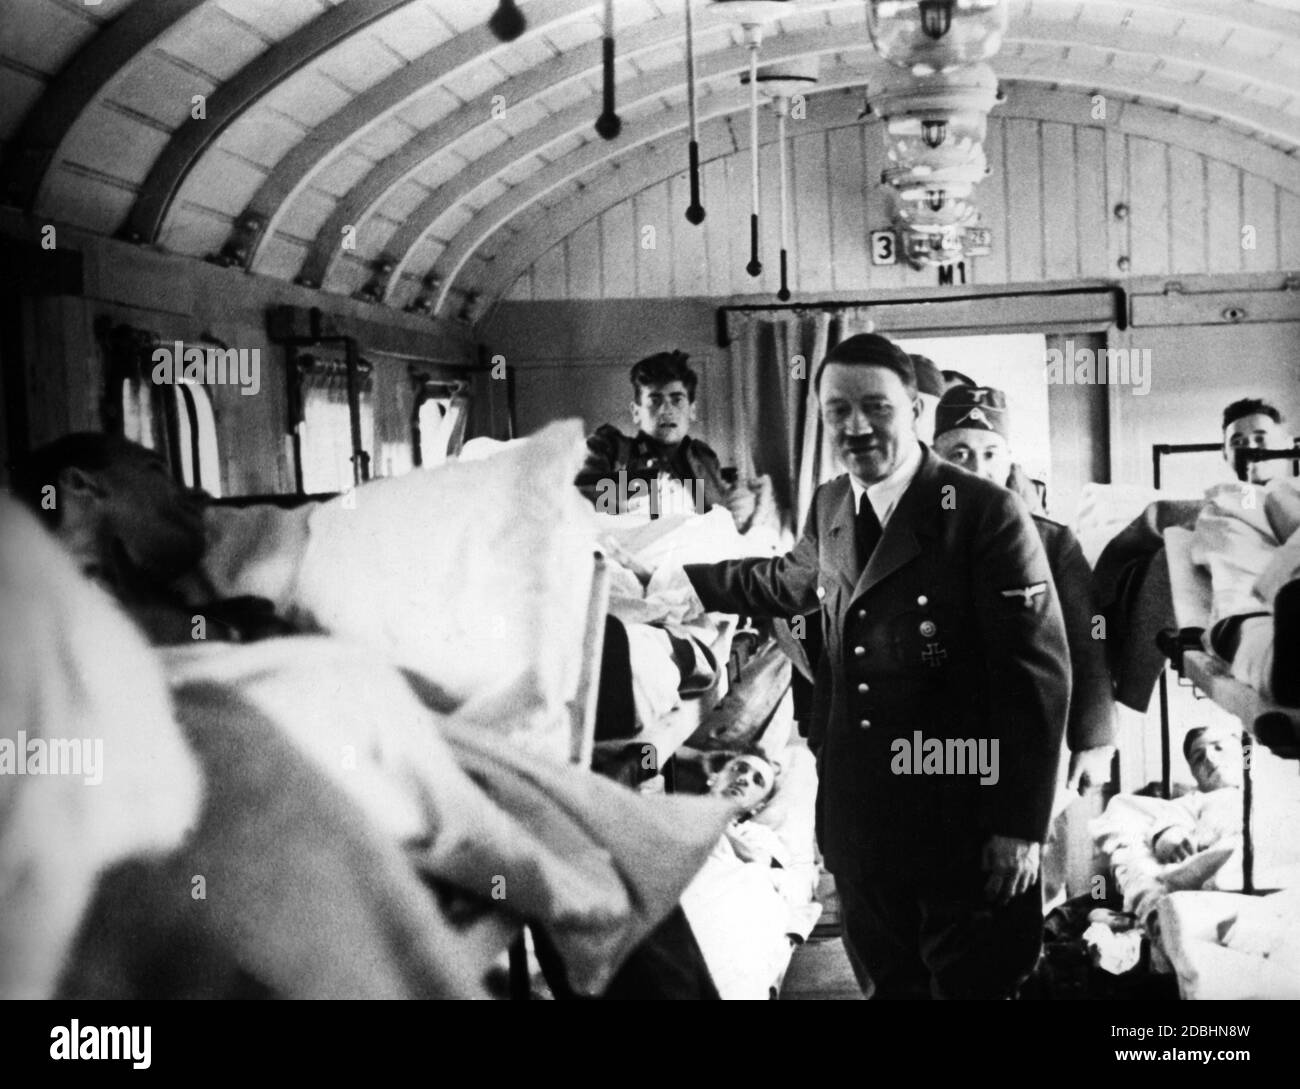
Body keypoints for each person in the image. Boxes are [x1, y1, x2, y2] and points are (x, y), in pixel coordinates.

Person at [659, 333, 1071, 1000]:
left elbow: (1036, 678)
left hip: (962, 815)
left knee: (975, 988)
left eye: (875, 407)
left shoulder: (983, 512)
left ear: (912, 408)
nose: (855, 427)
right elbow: (786, 581)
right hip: (863, 819)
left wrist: (1020, 826)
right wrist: (685, 580)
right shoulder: (830, 505)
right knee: (889, 986)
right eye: (836, 410)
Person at [932, 384, 1116, 792]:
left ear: (1008, 460)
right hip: (927, 740)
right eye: (960, 453)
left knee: (1015, 853)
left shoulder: (1052, 543)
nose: (977, 469)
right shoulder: (904, 539)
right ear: (935, 460)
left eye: (990, 454)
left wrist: (1095, 739)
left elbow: (1089, 639)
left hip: (1022, 735)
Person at [576, 350, 757, 531]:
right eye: (655, 400)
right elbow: (580, 501)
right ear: (636, 412)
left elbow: (723, 521)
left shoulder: (704, 460)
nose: (666, 410)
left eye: (677, 400)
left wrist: (741, 509)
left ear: (692, 410)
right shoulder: (609, 448)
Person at [1222, 398, 1293, 485]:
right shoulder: (1215, 498)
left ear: (1288, 445)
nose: (1250, 447)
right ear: (1225, 454)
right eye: (1238, 442)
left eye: (1260, 439)